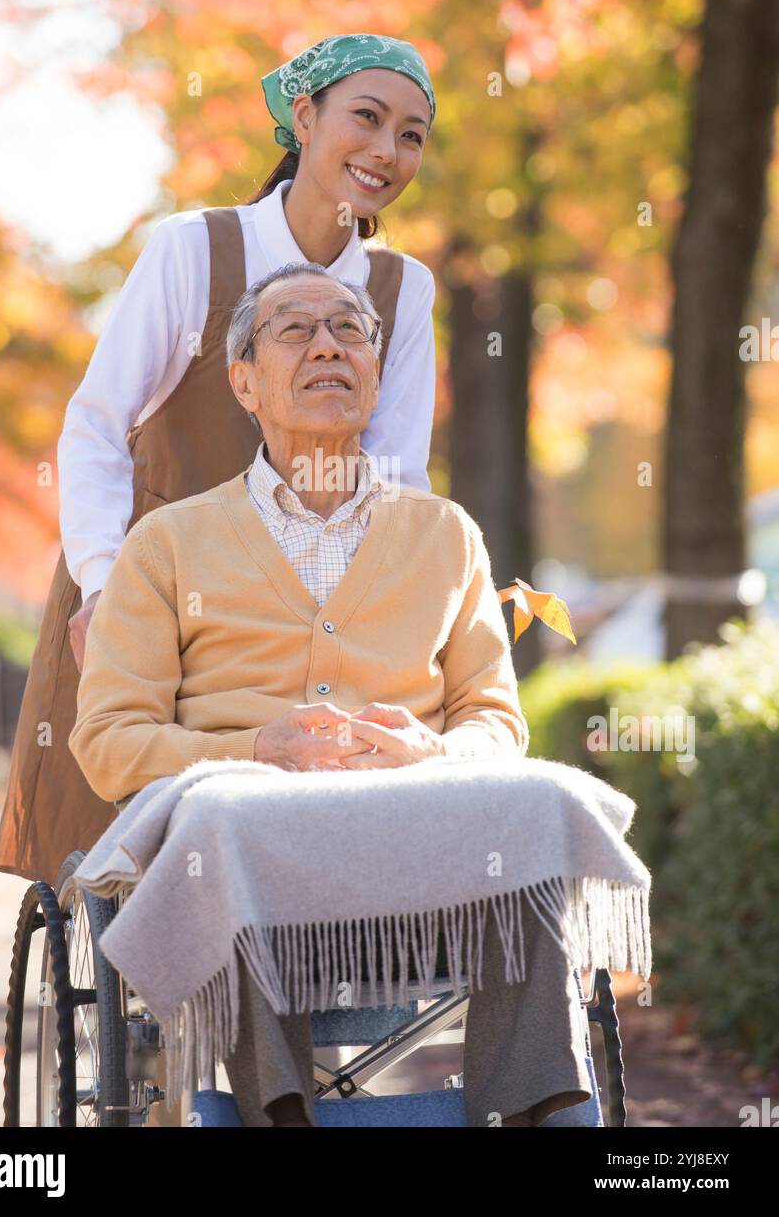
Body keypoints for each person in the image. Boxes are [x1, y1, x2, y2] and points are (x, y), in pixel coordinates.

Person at [67, 263, 595, 1128]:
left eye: (350, 329)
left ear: (376, 374)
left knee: (537, 807)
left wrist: (434, 752)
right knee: (228, 822)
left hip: (417, 877)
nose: (327, 346)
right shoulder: (166, 545)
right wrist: (251, 753)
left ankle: (544, 1117)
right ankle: (279, 1116)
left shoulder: (443, 535)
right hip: (246, 884)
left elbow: (495, 721)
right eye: (294, 330)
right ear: (244, 382)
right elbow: (110, 742)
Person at [0, 34, 440, 887]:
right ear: (303, 119)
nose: (387, 150)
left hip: (304, 607)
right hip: (154, 592)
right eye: (368, 118)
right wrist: (106, 588)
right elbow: (94, 426)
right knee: (129, 858)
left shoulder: (401, 289)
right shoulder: (194, 248)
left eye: (412, 135)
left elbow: (394, 478)